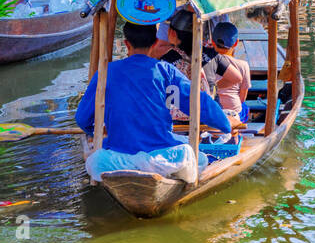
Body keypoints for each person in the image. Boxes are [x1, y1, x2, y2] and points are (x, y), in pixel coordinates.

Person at [76, 20, 232, 183]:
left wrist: (97, 131)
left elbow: (82, 119)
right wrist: (225, 124)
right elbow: (197, 102)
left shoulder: (106, 72)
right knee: (195, 156)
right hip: (159, 159)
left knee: (96, 161)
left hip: (119, 158)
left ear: (126, 44)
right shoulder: (165, 71)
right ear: (156, 42)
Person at [204, 22, 251, 123]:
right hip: (233, 109)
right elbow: (242, 97)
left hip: (210, 109)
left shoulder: (206, 62)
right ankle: (236, 135)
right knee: (245, 108)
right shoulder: (243, 65)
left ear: (212, 41)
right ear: (236, 43)